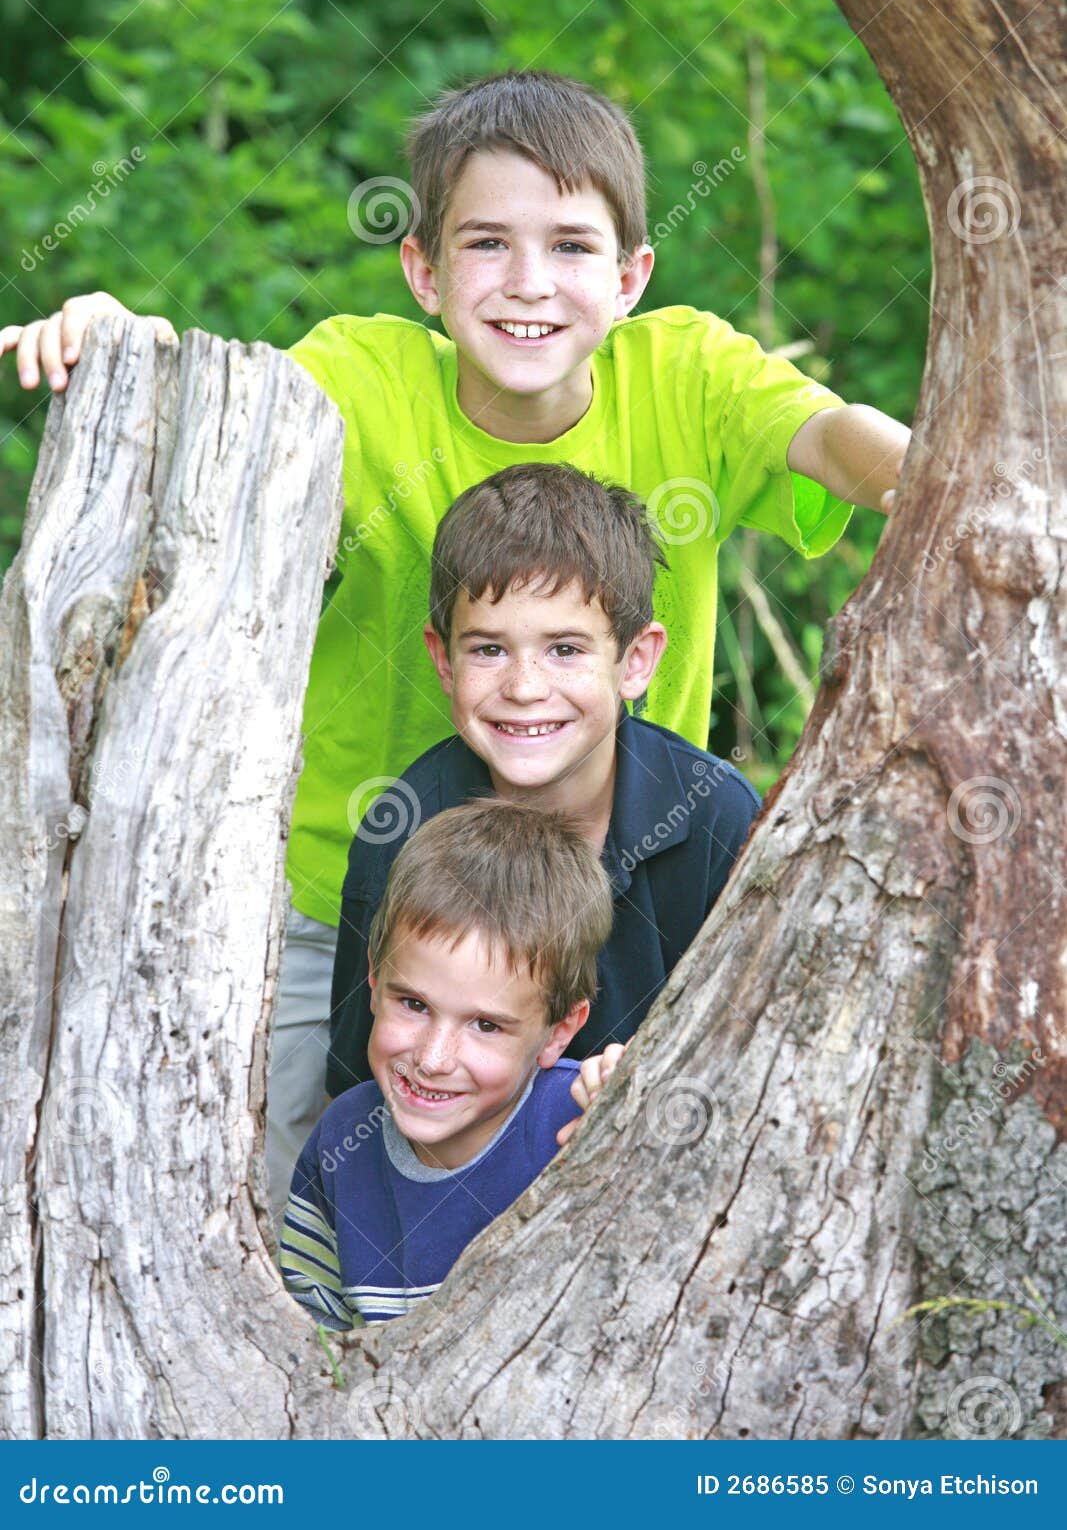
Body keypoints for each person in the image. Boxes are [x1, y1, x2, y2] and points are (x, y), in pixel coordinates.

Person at [2, 69, 912, 1221]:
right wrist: (124, 342)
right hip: (352, 897)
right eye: (486, 243)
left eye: (571, 246)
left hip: (617, 895)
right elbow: (212, 415)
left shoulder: (686, 372)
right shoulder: (365, 374)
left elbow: (837, 443)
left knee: (613, 1198)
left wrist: (952, 468)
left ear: (630, 276)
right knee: (296, 1195)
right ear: (423, 270)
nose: (528, 284)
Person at [328, 461, 760, 1097]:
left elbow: (754, 1053)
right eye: (488, 649)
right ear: (443, 660)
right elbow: (359, 1085)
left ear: (635, 661)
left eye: (565, 650)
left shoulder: (717, 819)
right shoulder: (404, 829)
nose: (525, 688)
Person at [280, 798, 622, 1329]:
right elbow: (314, 1333)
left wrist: (633, 1122)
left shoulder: (578, 1127)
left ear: (560, 1032)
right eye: (414, 1005)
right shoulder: (341, 1142)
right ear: (374, 979)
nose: (433, 1060)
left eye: (485, 1025)